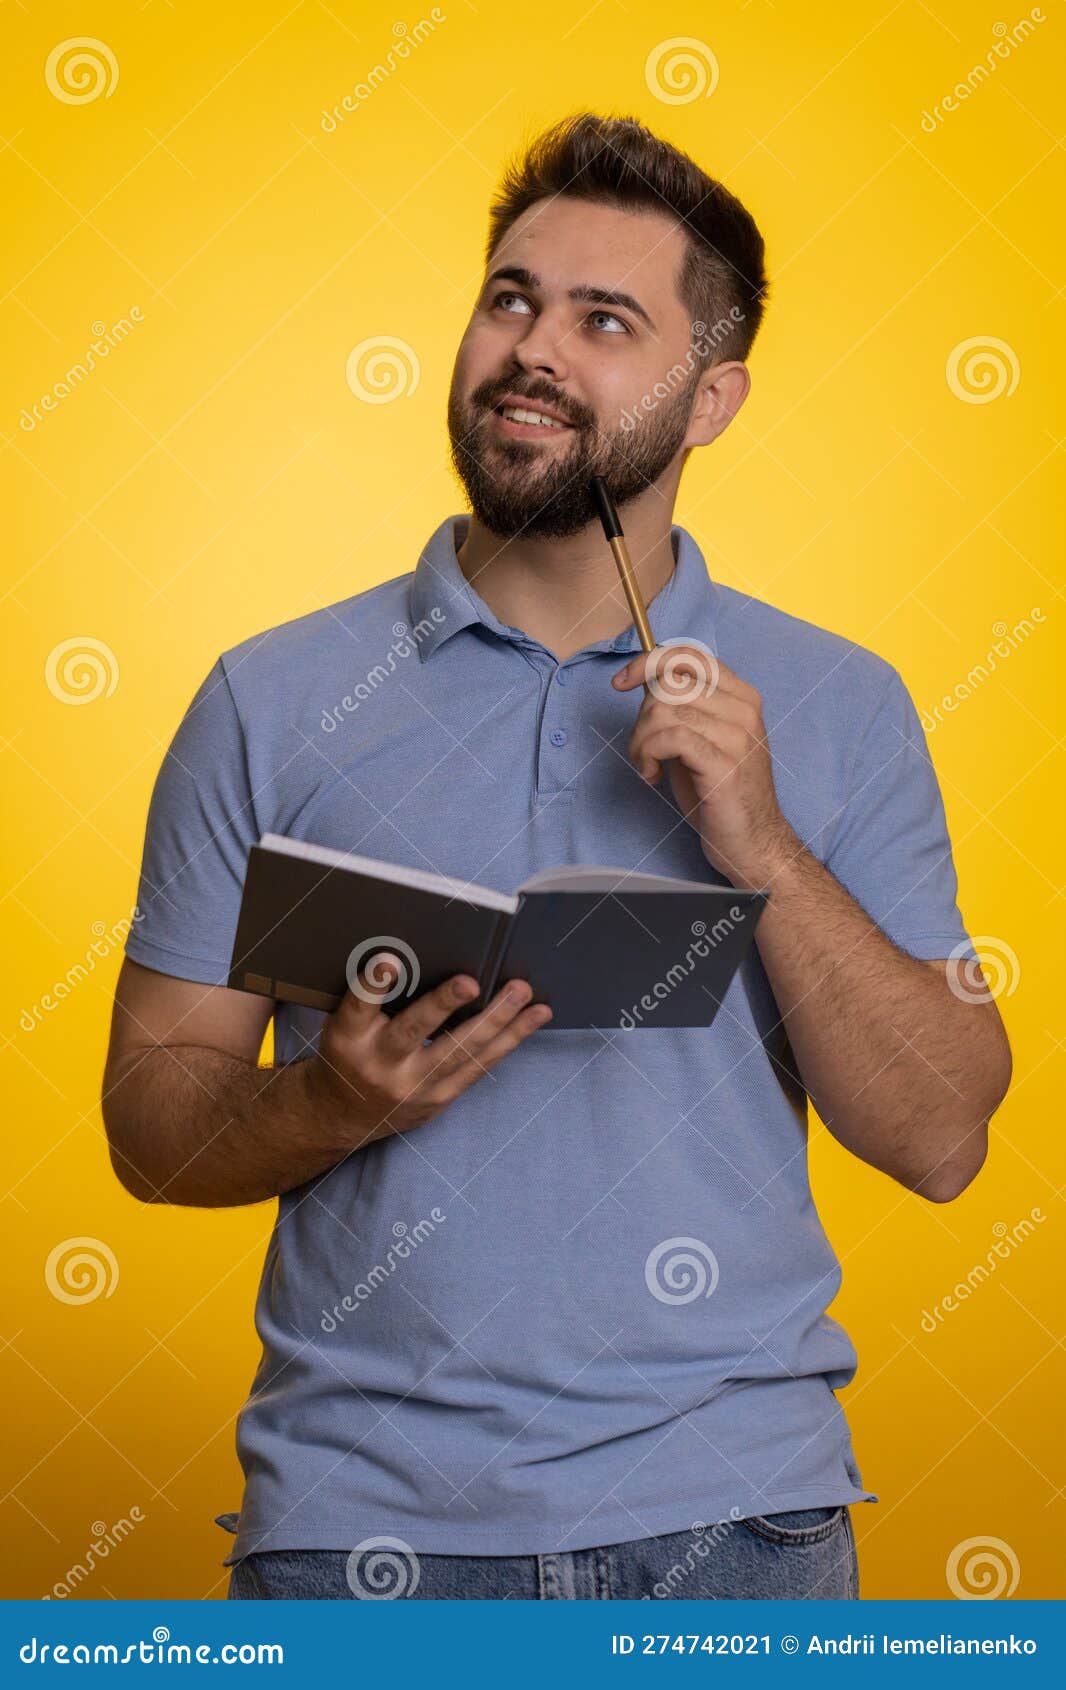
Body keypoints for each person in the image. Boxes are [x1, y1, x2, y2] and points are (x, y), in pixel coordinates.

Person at [102, 113, 1011, 1602]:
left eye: (605, 320)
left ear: (709, 398)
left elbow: (936, 1137)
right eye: (510, 298)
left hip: (739, 1530)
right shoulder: (266, 699)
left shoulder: (839, 701)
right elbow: (151, 1125)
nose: (532, 348)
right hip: (359, 1536)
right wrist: (327, 1098)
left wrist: (758, 839)